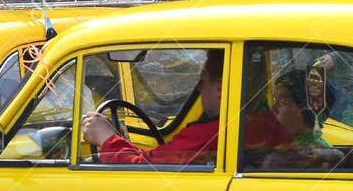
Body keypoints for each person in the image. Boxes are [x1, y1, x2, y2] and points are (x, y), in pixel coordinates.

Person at [80, 50, 287, 165]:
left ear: (221, 88)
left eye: (202, 80)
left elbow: (146, 168)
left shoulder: (207, 134)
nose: (198, 87)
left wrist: (107, 139)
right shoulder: (266, 124)